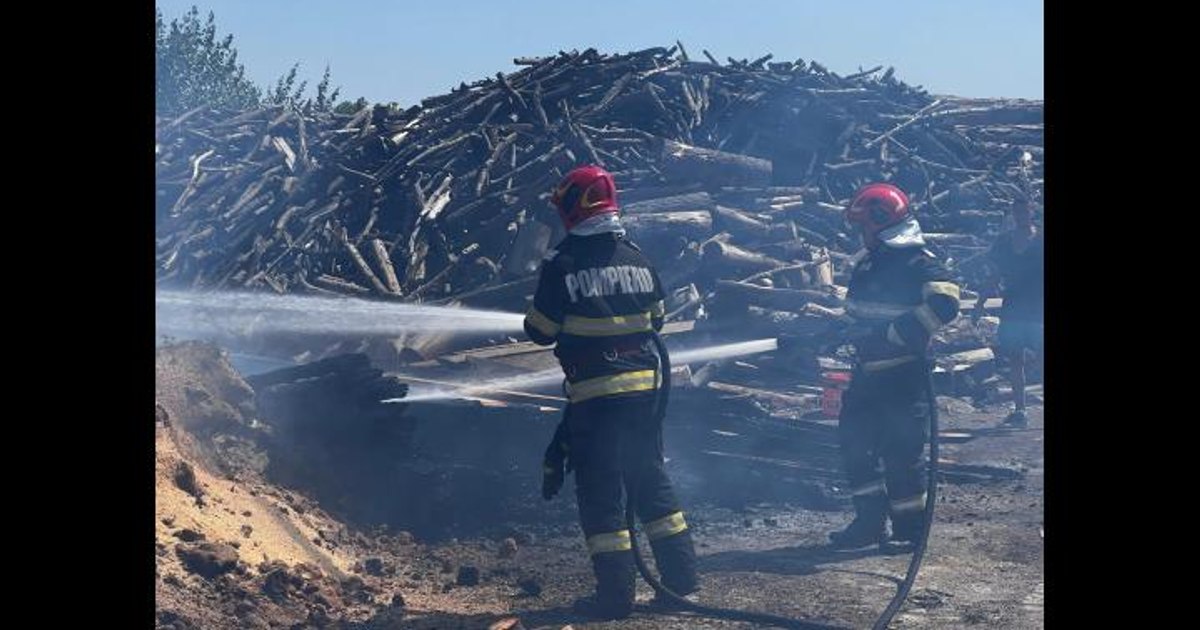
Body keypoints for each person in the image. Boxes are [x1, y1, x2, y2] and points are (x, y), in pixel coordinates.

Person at [525, 165, 699, 620]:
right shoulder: (638, 258)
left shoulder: (562, 263)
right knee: (651, 485)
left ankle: (615, 598)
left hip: (597, 399)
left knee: (602, 496)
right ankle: (681, 584)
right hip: (645, 395)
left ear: (573, 206)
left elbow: (541, 331)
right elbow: (657, 318)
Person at [830, 183, 961, 550]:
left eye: (863, 226)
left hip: (903, 379)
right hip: (867, 377)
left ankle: (909, 530)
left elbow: (946, 304)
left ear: (880, 220)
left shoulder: (917, 262)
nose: (860, 234)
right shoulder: (871, 263)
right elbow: (859, 313)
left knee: (901, 455)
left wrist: (890, 334)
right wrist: (838, 332)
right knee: (855, 447)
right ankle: (869, 523)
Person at [976, 197, 1044, 427]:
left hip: (1039, 309)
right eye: (1017, 213)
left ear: (1032, 212)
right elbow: (994, 276)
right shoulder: (1004, 243)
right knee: (1016, 360)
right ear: (1013, 215)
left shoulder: (1042, 239)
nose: (1021, 216)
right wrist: (979, 305)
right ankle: (1020, 410)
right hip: (1013, 308)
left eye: (1025, 212)